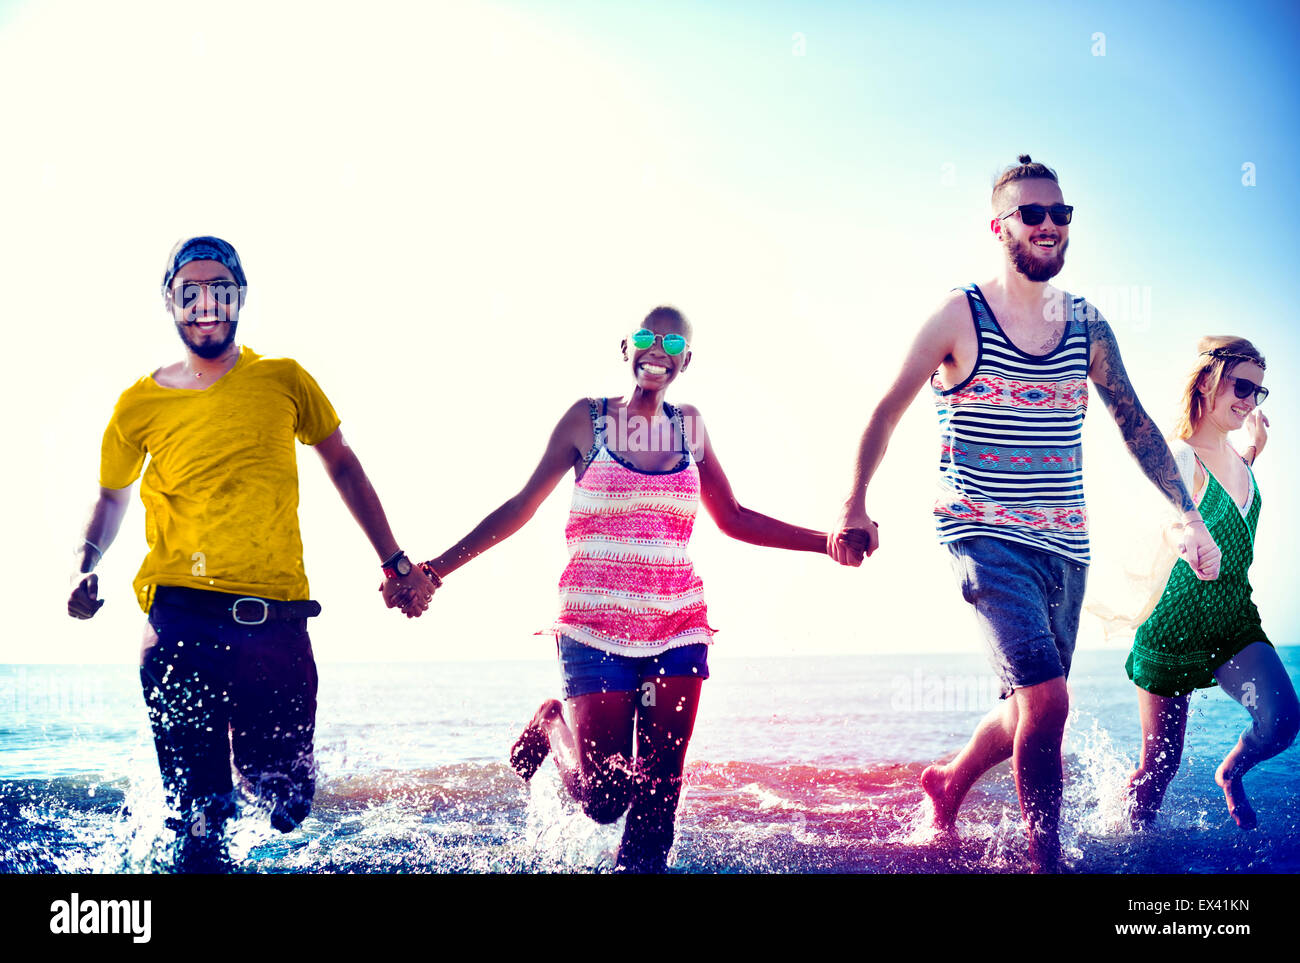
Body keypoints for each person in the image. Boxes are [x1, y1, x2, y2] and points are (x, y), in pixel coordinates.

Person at [828, 156, 1221, 872]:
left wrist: (1188, 515)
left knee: (1025, 704)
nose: (1048, 225)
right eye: (1032, 213)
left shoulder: (1088, 326)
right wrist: (855, 502)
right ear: (999, 225)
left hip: (1065, 546)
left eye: (1060, 213)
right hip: (981, 534)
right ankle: (1047, 860)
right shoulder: (959, 314)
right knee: (1049, 696)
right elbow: (886, 409)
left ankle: (948, 782)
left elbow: (1134, 422)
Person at [390, 305, 867, 872]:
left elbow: (734, 516)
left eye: (672, 344)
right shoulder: (586, 420)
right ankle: (551, 720)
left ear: (687, 359)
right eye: (645, 338)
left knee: (661, 792)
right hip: (593, 626)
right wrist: (436, 570)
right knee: (605, 797)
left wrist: (826, 541)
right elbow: (520, 507)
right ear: (625, 348)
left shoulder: (691, 427)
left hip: (677, 624)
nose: (657, 351)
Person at [67, 236, 437, 870]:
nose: (205, 304)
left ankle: (239, 776)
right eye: (190, 292)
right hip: (179, 618)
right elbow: (110, 496)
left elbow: (342, 465)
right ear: (170, 303)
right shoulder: (138, 404)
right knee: (201, 822)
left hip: (276, 623)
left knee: (287, 803)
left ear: (239, 298)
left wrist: (395, 562)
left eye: (220, 290)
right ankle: (203, 810)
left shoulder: (284, 379)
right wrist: (86, 564)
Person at [1125, 338, 1298, 830]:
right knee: (1160, 769)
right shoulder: (1179, 456)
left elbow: (1234, 481)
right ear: (1207, 381)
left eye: (1258, 392)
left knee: (1282, 722)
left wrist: (1253, 449)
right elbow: (1173, 517)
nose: (1249, 399)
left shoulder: (1241, 460)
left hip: (1232, 620)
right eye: (1241, 385)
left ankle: (1231, 772)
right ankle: (1129, 849)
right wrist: (1188, 540)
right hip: (1174, 625)